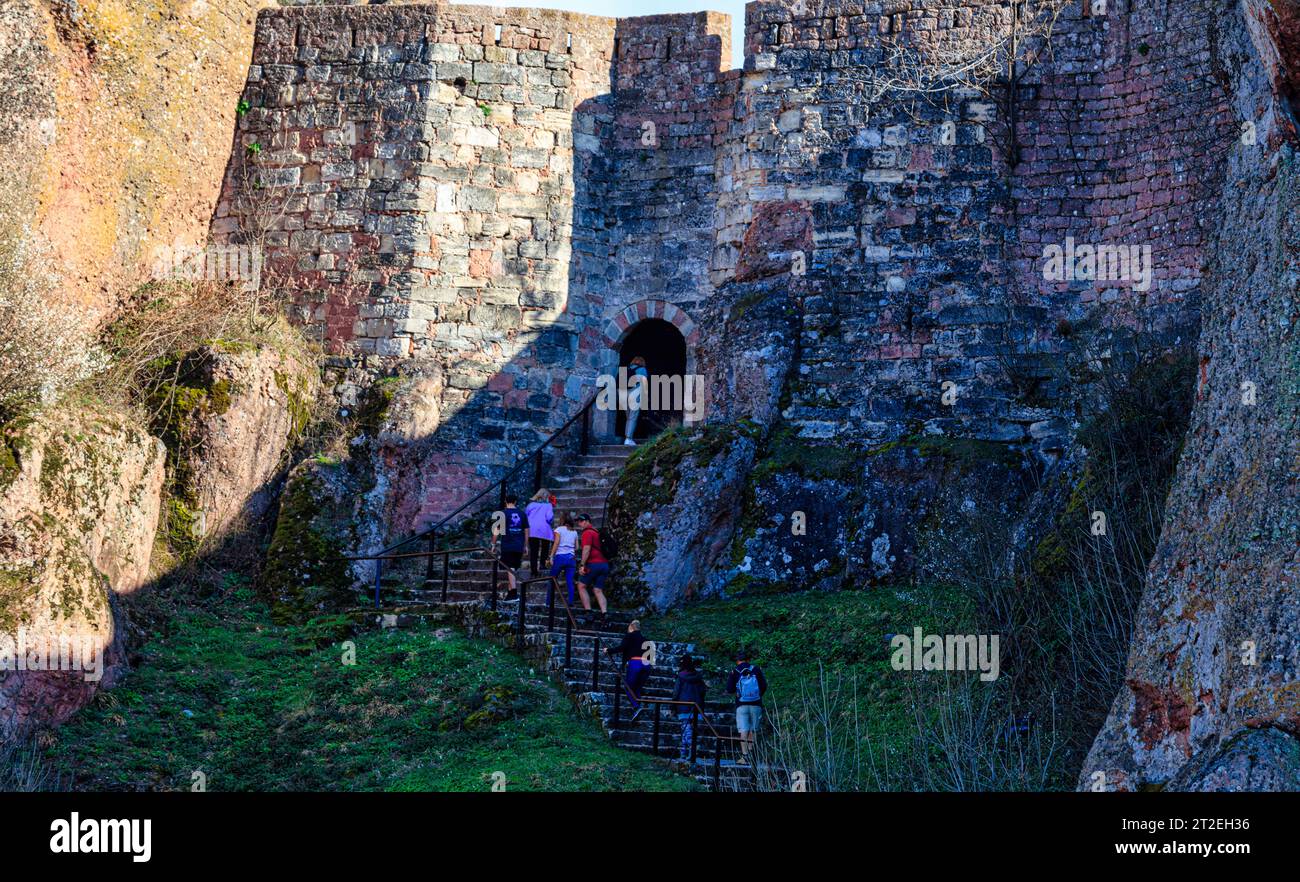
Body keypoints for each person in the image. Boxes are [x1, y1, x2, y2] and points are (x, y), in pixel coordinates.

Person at [725, 650, 767, 765]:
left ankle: (745, 757)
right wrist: (757, 696)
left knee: (743, 730)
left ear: (738, 660)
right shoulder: (756, 669)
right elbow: (764, 686)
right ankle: (752, 755)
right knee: (753, 730)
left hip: (741, 705)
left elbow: (729, 689)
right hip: (756, 704)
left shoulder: (735, 671)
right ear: (748, 659)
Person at [606, 619, 650, 721]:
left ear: (631, 626)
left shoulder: (629, 636)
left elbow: (622, 648)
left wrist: (608, 650)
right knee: (637, 688)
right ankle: (637, 707)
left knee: (628, 687)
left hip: (635, 663)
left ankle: (636, 706)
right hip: (646, 665)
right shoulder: (646, 640)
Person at [491, 494, 529, 602]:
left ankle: (514, 593)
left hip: (507, 545)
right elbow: (526, 530)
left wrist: (493, 544)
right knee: (512, 568)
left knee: (510, 568)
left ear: (505, 501)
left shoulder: (502, 514)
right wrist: (526, 545)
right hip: (519, 545)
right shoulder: (522, 514)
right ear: (516, 501)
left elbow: (496, 531)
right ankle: (509, 594)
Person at [671, 655, 707, 761]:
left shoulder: (680, 676)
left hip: (683, 706)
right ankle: (684, 752)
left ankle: (690, 751)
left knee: (685, 729)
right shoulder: (698, 677)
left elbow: (676, 693)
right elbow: (703, 692)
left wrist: (673, 706)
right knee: (690, 730)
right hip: (697, 707)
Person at [575, 513, 609, 617]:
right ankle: (605, 613)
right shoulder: (596, 532)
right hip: (604, 565)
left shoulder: (587, 533)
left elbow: (586, 549)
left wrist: (582, 564)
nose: (579, 524)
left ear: (586, 521)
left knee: (581, 586)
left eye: (580, 521)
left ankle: (588, 612)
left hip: (593, 564)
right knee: (598, 590)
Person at [547, 512, 579, 606]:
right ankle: (570, 602)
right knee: (570, 581)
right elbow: (577, 547)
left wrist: (551, 556)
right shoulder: (574, 532)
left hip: (560, 557)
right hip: (571, 558)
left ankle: (549, 602)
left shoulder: (559, 529)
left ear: (562, 520)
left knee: (552, 579)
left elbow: (556, 543)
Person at [524, 489, 554, 576]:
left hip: (532, 530)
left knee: (534, 550)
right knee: (545, 548)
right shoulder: (548, 506)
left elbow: (526, 515)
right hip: (544, 530)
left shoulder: (530, 505)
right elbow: (549, 518)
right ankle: (542, 565)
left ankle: (533, 570)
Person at [623, 355, 648, 446]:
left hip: (624, 395)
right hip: (635, 395)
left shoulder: (627, 369)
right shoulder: (642, 370)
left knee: (628, 417)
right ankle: (628, 439)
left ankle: (627, 437)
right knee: (633, 417)